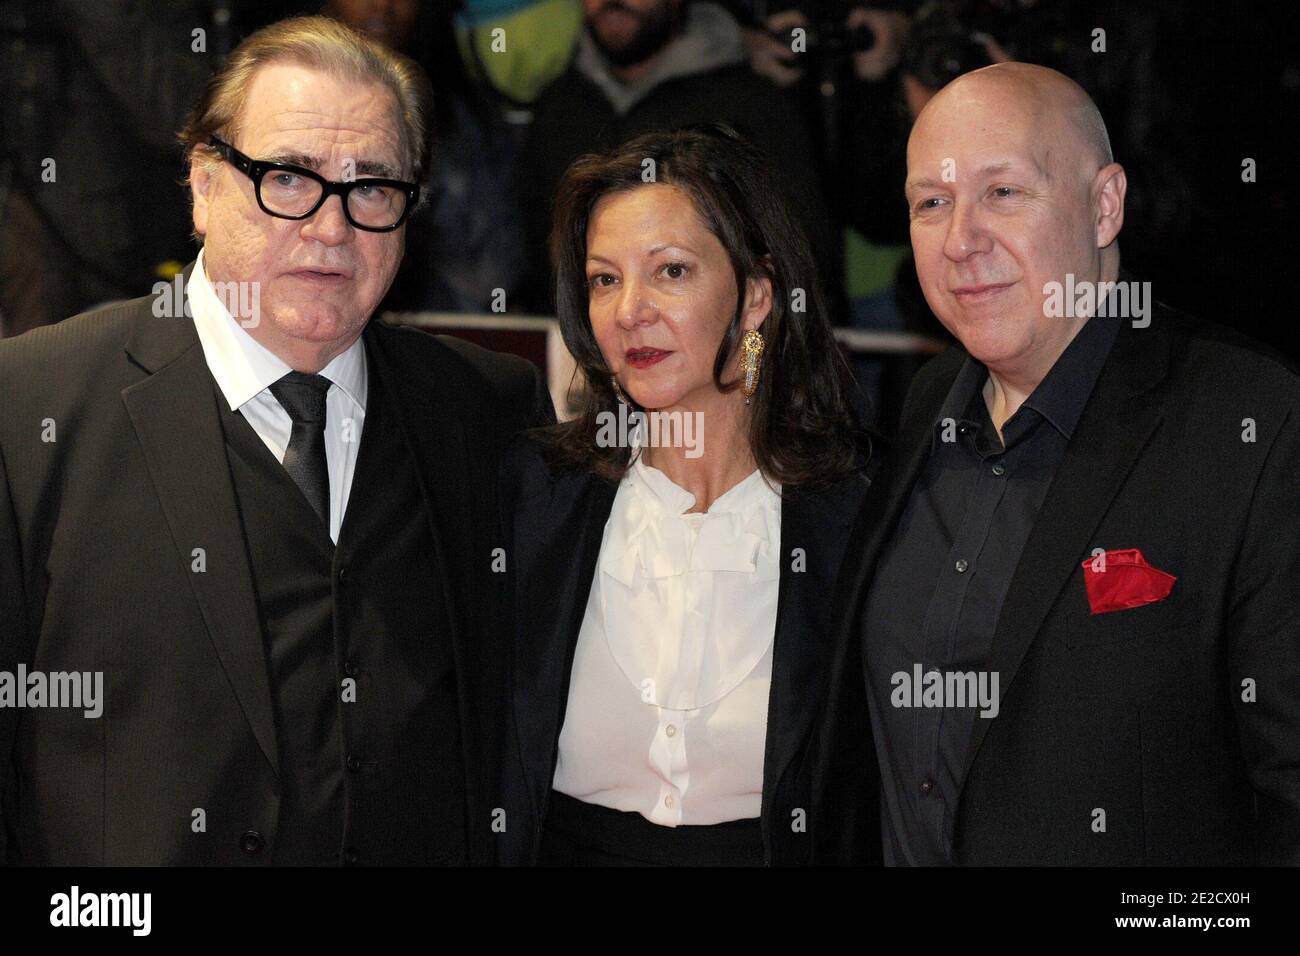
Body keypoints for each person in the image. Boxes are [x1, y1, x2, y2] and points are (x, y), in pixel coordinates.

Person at [0, 16, 553, 865]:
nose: (333, 227)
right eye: (289, 177)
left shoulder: (488, 415)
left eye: (372, 187)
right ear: (203, 185)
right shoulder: (30, 409)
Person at [817, 62, 1300, 865]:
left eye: (1003, 192)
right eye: (931, 202)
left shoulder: (1253, 421)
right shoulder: (927, 400)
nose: (962, 238)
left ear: (1105, 204)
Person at [496, 124, 875, 866]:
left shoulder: (857, 514)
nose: (630, 309)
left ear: (758, 295)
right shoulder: (531, 498)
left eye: (670, 271)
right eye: (605, 279)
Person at [514, 0, 835, 314]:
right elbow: (533, 253)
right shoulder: (557, 107)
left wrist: (750, 359)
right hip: (580, 352)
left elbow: (801, 259)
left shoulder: (752, 107)